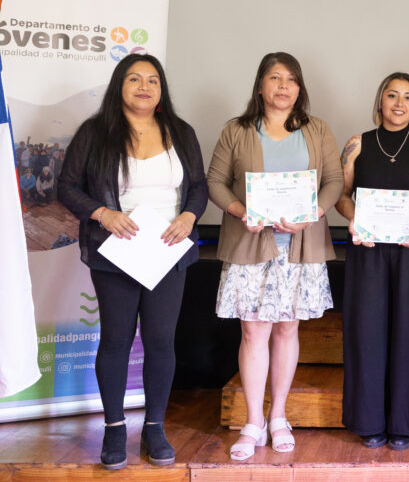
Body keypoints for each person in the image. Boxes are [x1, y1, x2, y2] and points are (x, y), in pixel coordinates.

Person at [57, 53, 208, 470]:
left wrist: (189, 216)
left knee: (161, 341)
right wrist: (102, 214)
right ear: (118, 86)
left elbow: (198, 184)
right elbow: (68, 187)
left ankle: (155, 427)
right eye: (134, 79)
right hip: (117, 252)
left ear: (161, 89)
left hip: (166, 250)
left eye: (153, 80)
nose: (144, 86)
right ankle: (114, 428)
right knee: (116, 341)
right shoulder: (94, 133)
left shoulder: (180, 131)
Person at [207, 52, 343, 461]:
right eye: (274, 77)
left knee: (287, 330)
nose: (283, 86)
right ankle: (254, 422)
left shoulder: (317, 130)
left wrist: (313, 214)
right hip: (251, 246)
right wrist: (238, 210)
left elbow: (334, 181)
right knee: (254, 332)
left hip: (300, 248)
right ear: (261, 86)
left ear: (299, 88)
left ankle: (279, 415)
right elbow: (216, 182)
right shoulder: (237, 130)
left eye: (291, 79)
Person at [337, 72, 409, 450]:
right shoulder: (357, 144)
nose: (399, 103)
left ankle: (406, 423)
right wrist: (354, 219)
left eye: (407, 97)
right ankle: (369, 421)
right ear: (380, 102)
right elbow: (341, 194)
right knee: (367, 333)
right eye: (391, 95)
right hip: (368, 250)